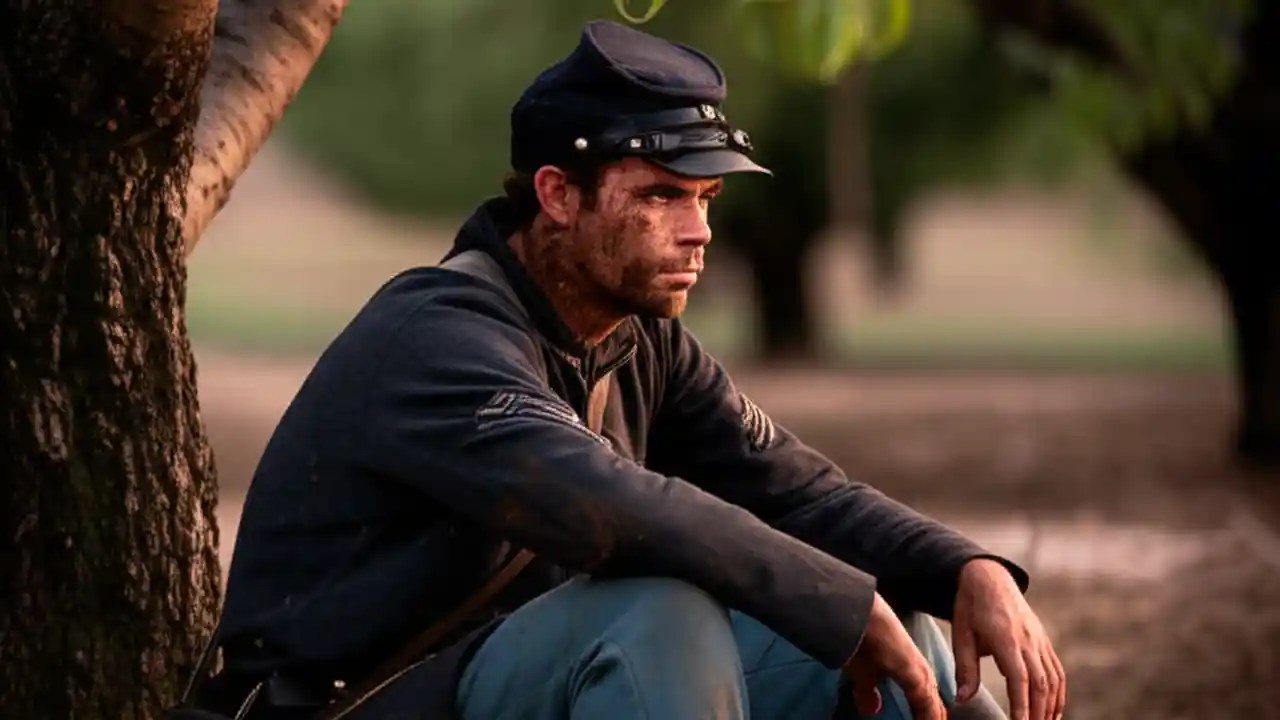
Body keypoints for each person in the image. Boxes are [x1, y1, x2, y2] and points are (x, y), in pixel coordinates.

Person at [199, 19, 1065, 720]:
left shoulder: (634, 336)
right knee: (659, 616)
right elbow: (621, 509)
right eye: (661, 196)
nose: (699, 233)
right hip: (352, 705)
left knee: (914, 632)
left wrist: (963, 568)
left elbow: (800, 495)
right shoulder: (437, 340)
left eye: (704, 200)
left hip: (502, 689)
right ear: (555, 195)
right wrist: (841, 605)